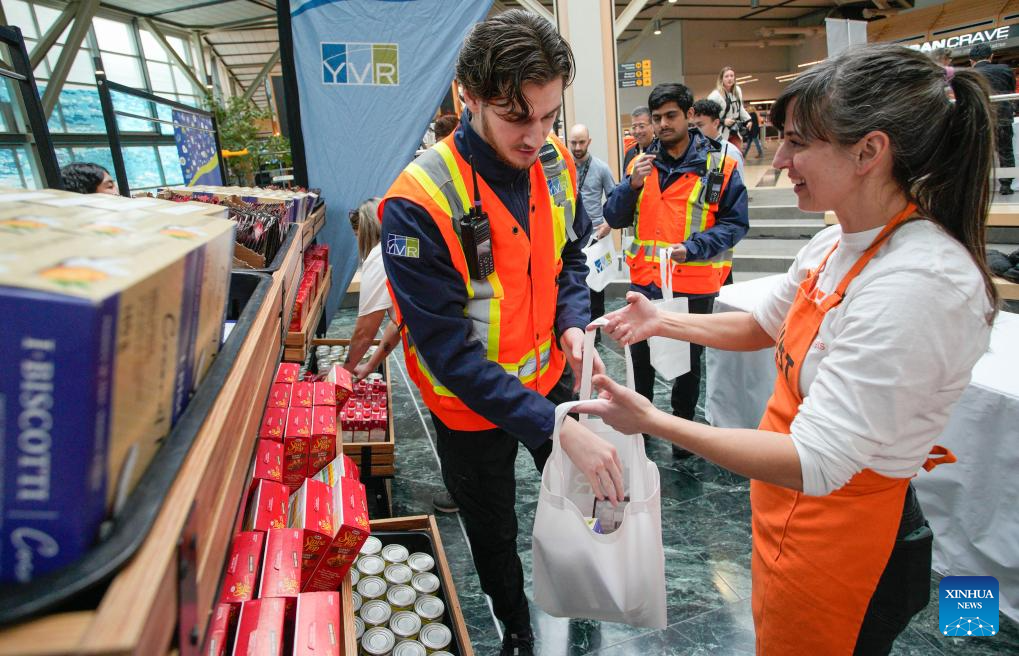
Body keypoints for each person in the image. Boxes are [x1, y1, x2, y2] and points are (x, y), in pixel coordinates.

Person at [580, 44, 998, 655]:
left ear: (869, 151)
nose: (779, 159)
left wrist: (652, 420)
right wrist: (663, 325)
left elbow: (816, 460)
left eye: (799, 142)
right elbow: (766, 324)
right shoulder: (837, 243)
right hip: (789, 518)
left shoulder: (920, 283)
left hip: (844, 536)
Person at [380, 11, 624, 655]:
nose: (537, 135)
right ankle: (515, 625)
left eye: (549, 115)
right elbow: (446, 352)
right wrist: (555, 427)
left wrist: (572, 323)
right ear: (469, 97)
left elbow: (570, 256)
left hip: (548, 380)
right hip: (468, 410)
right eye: (519, 117)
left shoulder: (552, 164)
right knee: (493, 531)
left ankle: (579, 591)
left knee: (570, 503)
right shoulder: (418, 201)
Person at [603, 83, 748, 458]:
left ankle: (683, 431)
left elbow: (735, 223)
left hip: (695, 283)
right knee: (640, 360)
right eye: (657, 118)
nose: (663, 124)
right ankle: (641, 427)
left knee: (687, 363)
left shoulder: (720, 163)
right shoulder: (640, 163)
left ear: (688, 116)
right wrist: (630, 185)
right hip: (645, 282)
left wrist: (695, 247)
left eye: (670, 116)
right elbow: (615, 216)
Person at [568, 123, 617, 323]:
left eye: (581, 142)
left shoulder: (601, 168)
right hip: (569, 234)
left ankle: (595, 327)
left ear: (589, 141)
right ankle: (576, 324)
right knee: (572, 280)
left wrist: (608, 224)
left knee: (596, 285)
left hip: (596, 235)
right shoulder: (563, 167)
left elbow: (615, 200)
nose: (577, 147)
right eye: (573, 142)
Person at [970, 43, 1016, 195]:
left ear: (971, 61)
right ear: (991, 57)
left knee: (980, 153)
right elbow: (1010, 90)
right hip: (1003, 116)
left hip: (980, 120)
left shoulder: (969, 74)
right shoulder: (1005, 70)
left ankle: (981, 186)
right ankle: (1006, 185)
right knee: (1006, 151)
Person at [690, 98, 745, 176]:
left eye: (700, 125)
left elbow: (738, 186)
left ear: (715, 123)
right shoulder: (691, 151)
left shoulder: (731, 153)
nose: (695, 130)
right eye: (692, 126)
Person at [707, 66, 752, 150]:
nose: (730, 78)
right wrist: (723, 121)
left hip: (735, 131)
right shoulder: (715, 95)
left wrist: (748, 120)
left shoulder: (737, 90)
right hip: (720, 133)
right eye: (726, 76)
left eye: (732, 76)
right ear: (721, 79)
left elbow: (740, 108)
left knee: (737, 156)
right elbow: (708, 115)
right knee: (723, 158)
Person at [622, 105, 654, 170]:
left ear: (653, 126)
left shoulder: (661, 151)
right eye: (634, 127)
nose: (637, 131)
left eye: (641, 126)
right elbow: (626, 179)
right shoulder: (630, 154)